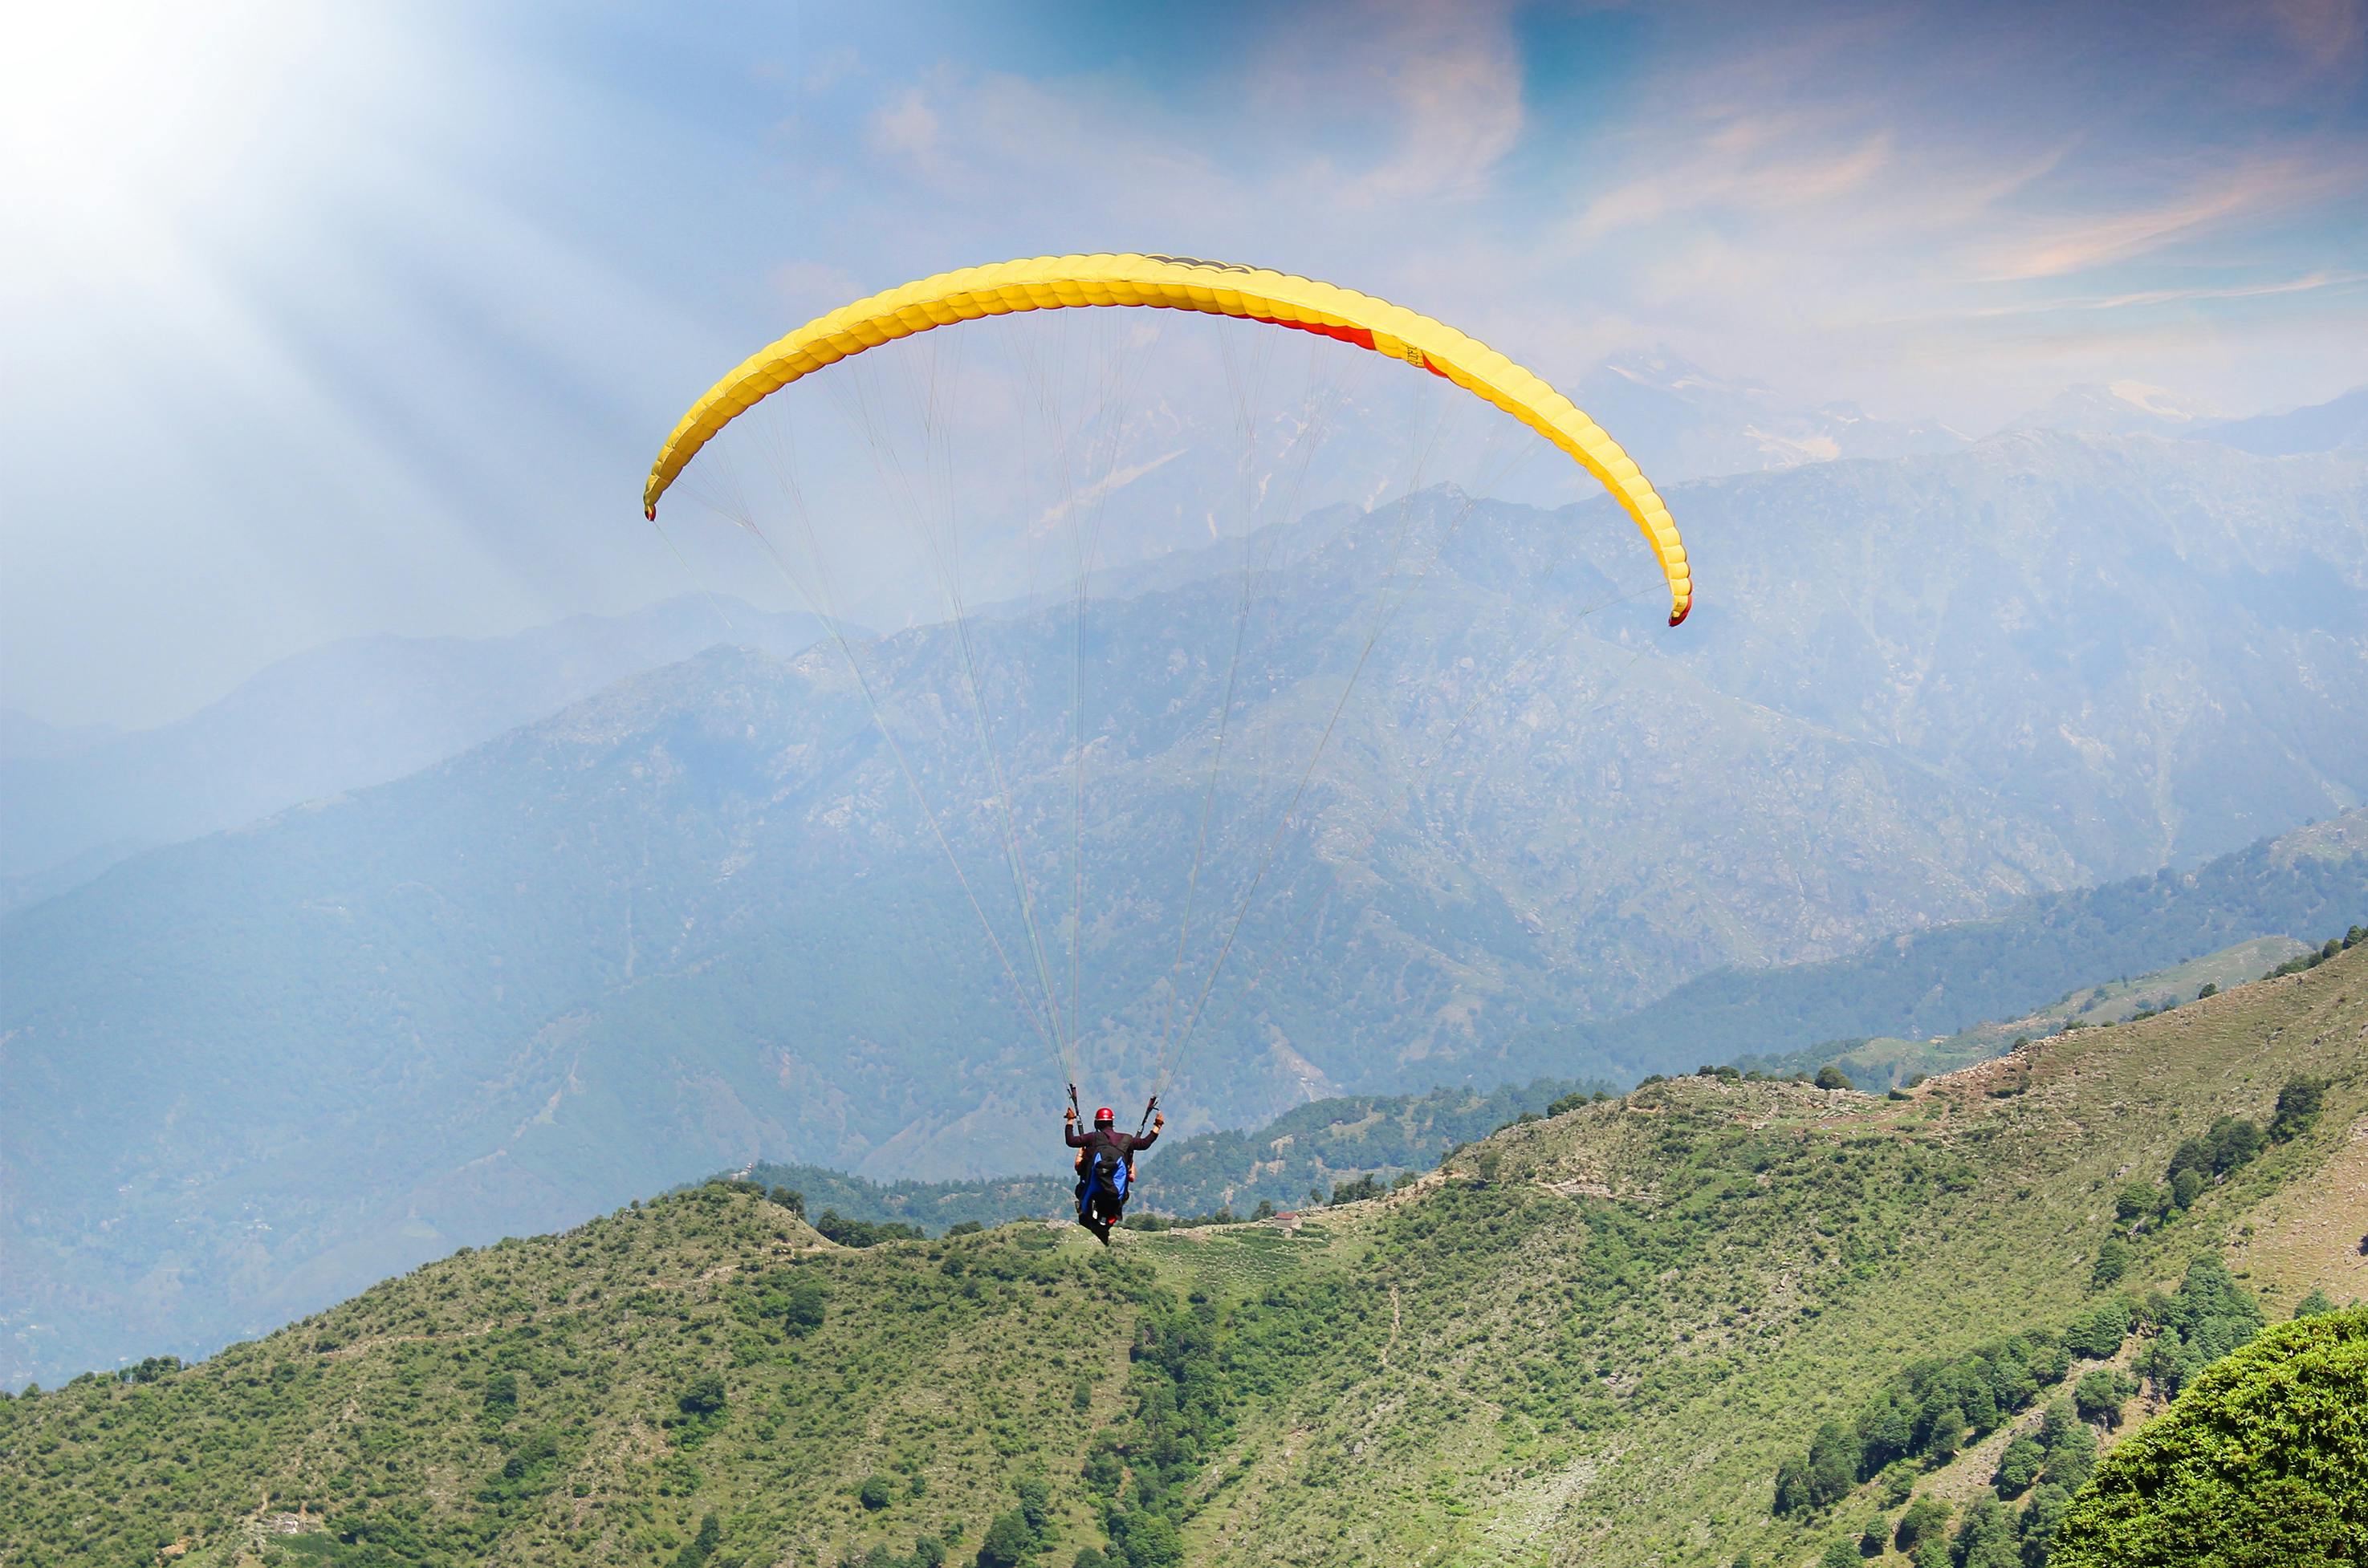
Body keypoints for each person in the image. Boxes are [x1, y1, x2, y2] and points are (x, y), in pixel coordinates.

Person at [1065, 1103, 1161, 1243]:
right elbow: (1145, 1143)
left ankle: (1095, 1223)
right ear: (1112, 1122)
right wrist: (1157, 1126)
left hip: (1092, 1186)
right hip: (1115, 1191)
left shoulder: (1092, 1138)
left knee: (1082, 1196)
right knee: (1121, 1198)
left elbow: (1071, 1141)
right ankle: (1105, 1223)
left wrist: (1070, 1120)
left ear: (1097, 1123)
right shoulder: (1127, 1140)